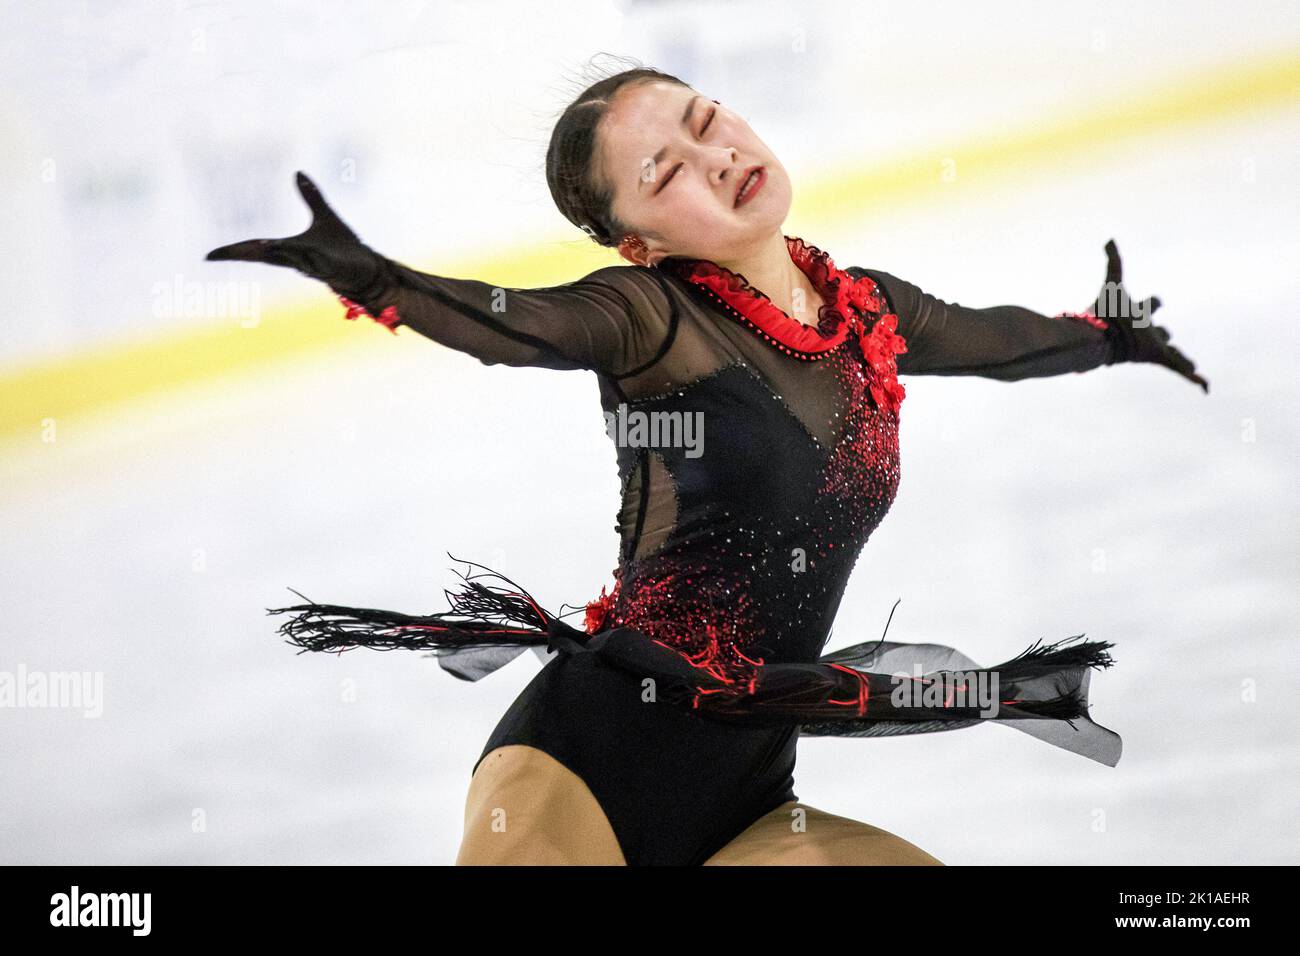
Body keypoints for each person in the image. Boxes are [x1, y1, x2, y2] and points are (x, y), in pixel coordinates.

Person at [205, 65, 1208, 866]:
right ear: (639, 241)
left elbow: (998, 342)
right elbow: (519, 325)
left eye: (703, 118)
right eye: (663, 169)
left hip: (750, 790)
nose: (713, 153)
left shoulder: (863, 309)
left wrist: (1105, 334)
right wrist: (381, 281)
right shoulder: (649, 318)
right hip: (582, 767)